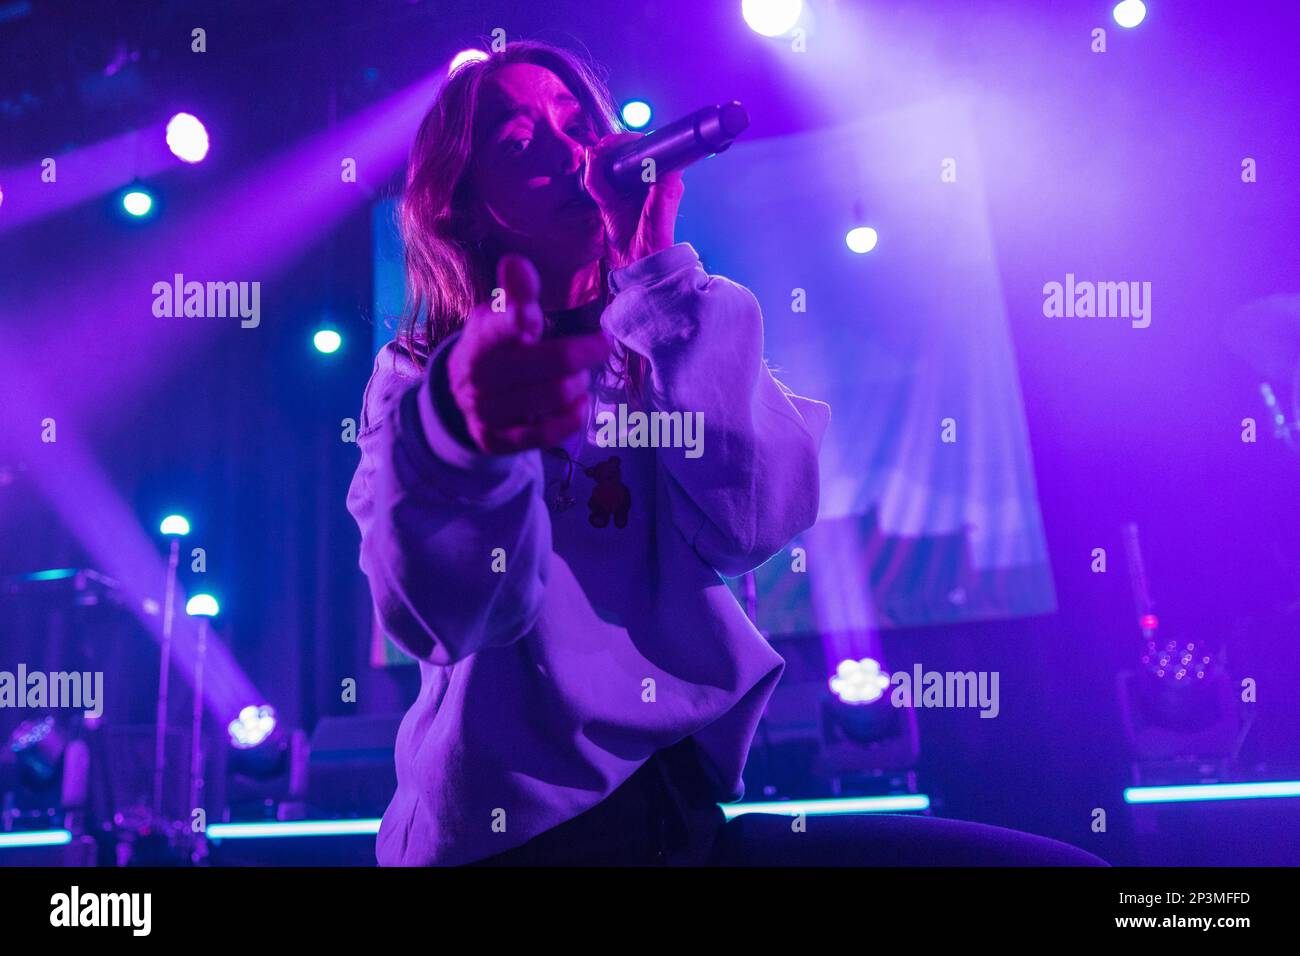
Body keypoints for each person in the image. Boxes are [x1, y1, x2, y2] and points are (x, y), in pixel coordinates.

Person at [347, 39, 1104, 867]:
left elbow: (754, 521)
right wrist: (460, 442)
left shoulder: (670, 327)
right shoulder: (418, 380)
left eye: (575, 125)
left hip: (681, 810)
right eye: (521, 144)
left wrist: (659, 279)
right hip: (511, 833)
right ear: (469, 205)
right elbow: (448, 617)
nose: (567, 152)